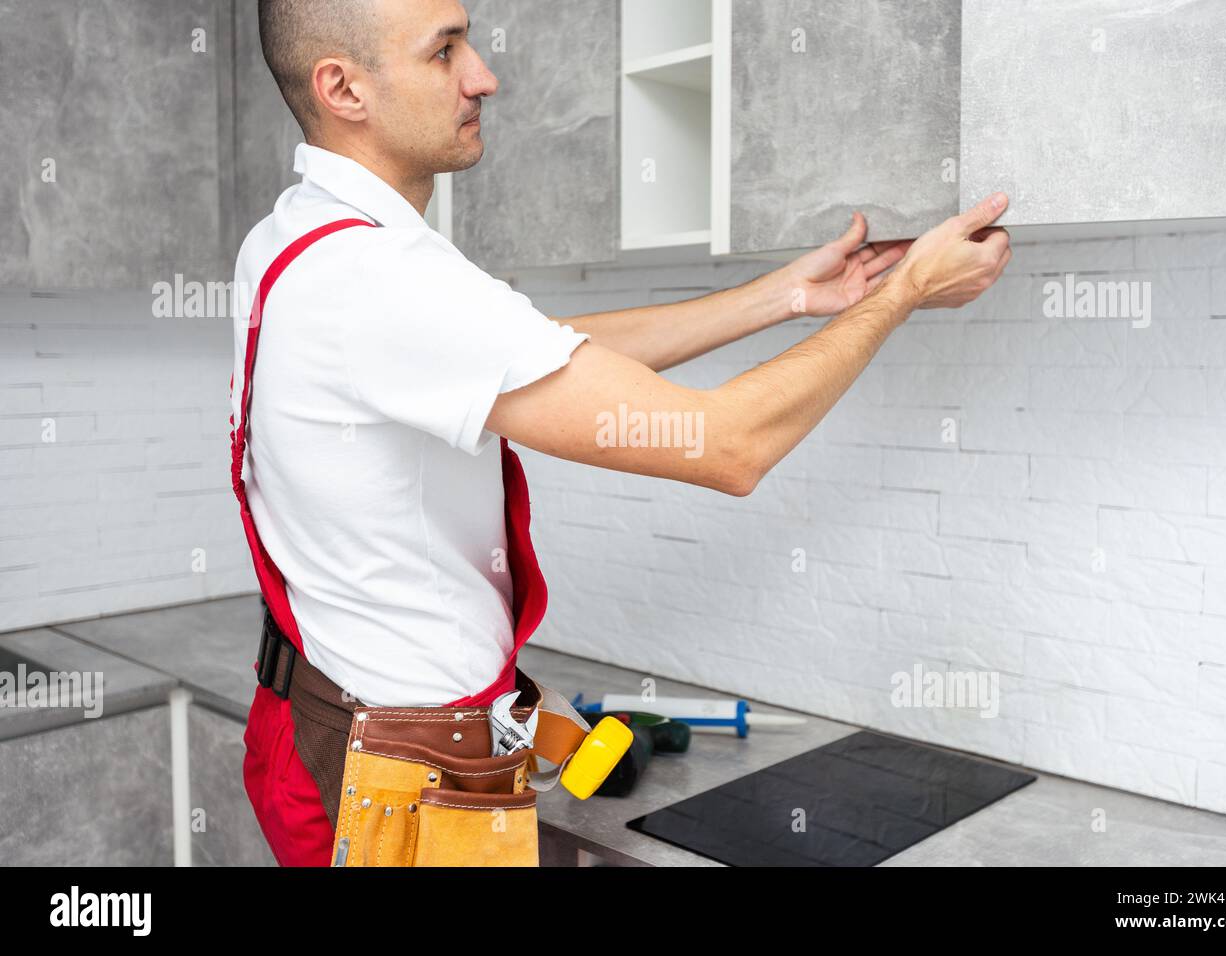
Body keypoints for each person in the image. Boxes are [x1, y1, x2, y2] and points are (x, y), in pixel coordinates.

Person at [234, 0, 1012, 866]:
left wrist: (789, 295)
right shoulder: (381, 277)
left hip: (320, 729)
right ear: (343, 88)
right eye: (444, 51)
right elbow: (730, 446)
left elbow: (542, 350)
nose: (483, 75)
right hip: (396, 790)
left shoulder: (299, 235)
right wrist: (903, 295)